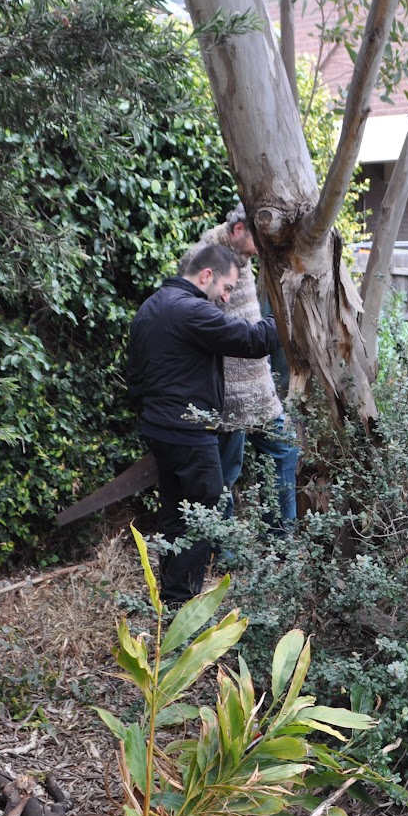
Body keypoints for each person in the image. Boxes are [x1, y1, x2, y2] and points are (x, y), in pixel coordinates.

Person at [126, 242, 279, 605]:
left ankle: (171, 599)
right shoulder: (191, 310)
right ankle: (184, 604)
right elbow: (253, 340)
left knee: (176, 514)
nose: (226, 298)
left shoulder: (151, 307)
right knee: (201, 516)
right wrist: (285, 318)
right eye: (226, 288)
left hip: (160, 430)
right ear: (206, 275)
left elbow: (134, 376)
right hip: (189, 434)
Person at [180, 205, 301, 534]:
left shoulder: (242, 260)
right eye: (259, 239)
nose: (265, 247)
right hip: (226, 395)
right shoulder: (204, 260)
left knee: (284, 450)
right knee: (224, 475)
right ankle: (226, 554)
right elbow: (191, 322)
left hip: (259, 390)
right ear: (237, 230)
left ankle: (280, 543)